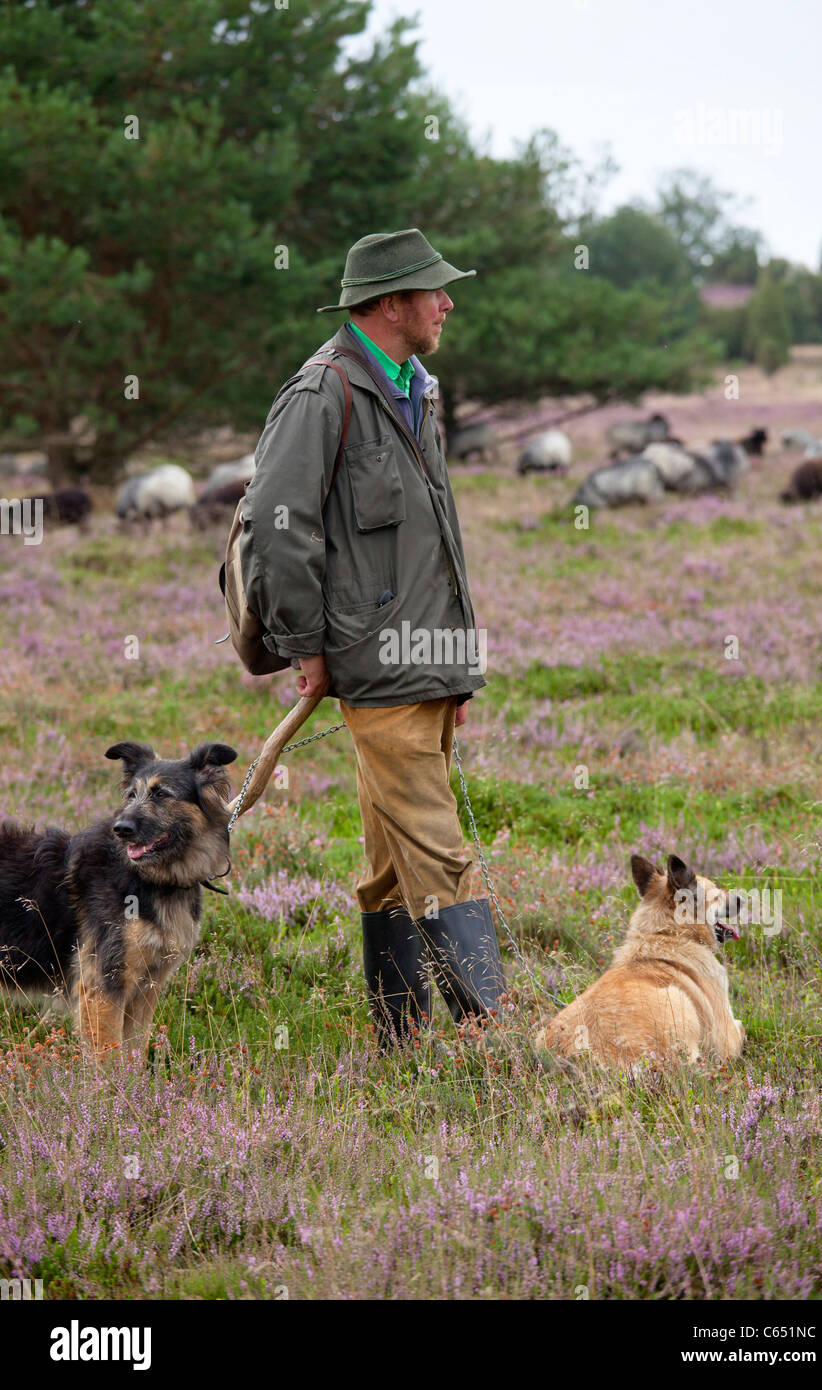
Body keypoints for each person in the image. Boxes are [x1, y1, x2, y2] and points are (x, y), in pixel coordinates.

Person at [239, 228, 505, 1047]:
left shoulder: (415, 386)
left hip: (426, 666)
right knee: (439, 847)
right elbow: (280, 531)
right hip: (376, 666)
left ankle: (400, 1040)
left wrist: (454, 671)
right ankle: (493, 1037)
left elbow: (440, 543)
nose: (447, 303)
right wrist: (307, 646)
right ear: (393, 305)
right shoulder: (322, 394)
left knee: (392, 863)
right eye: (434, 292)